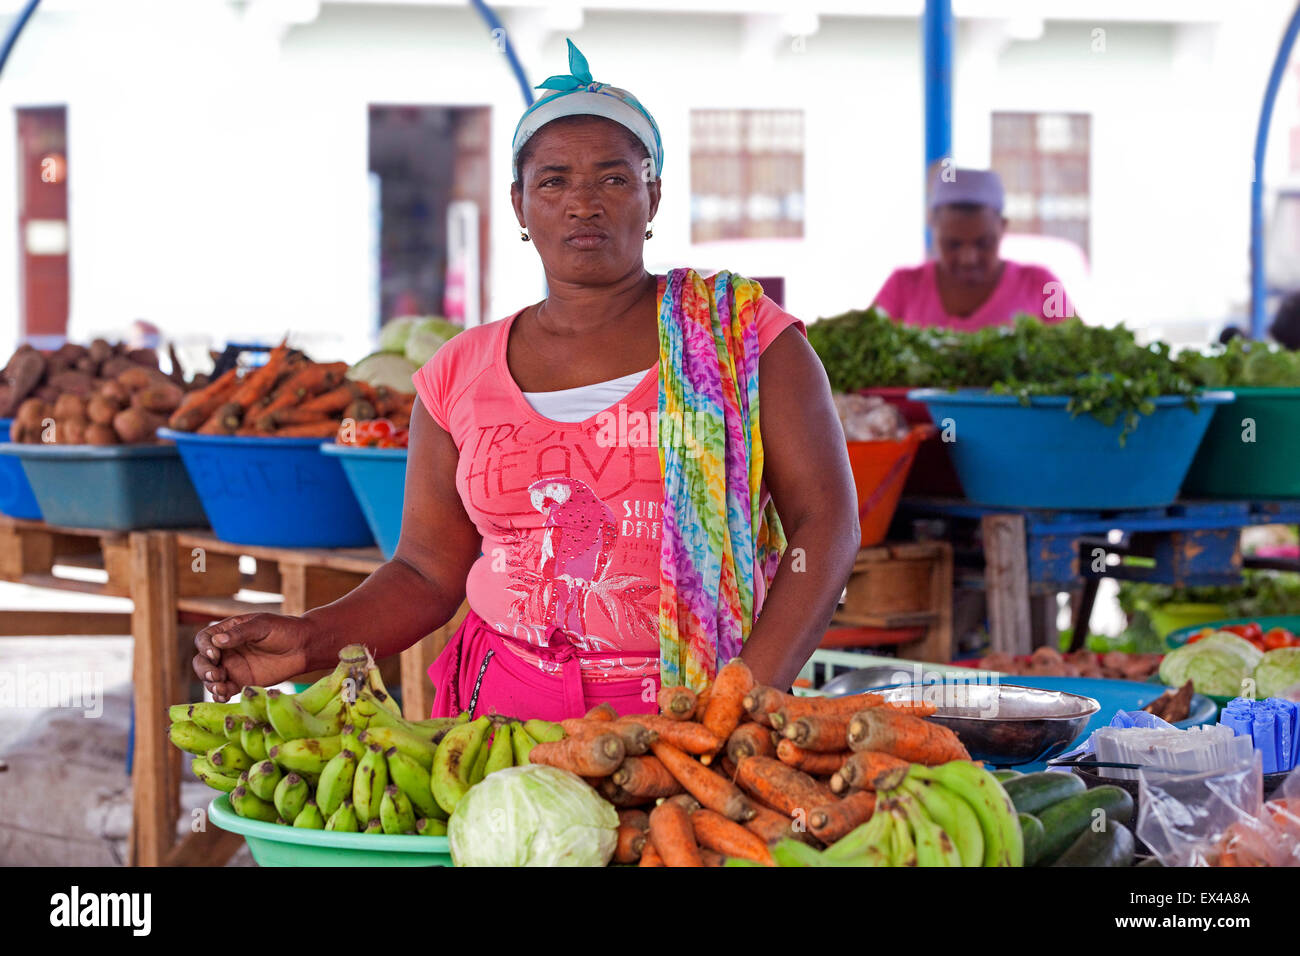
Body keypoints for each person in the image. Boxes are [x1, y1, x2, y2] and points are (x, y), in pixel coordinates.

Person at [191, 41, 859, 720]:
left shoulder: (740, 339)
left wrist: (745, 695)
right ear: (518, 204)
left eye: (614, 179)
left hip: (694, 713)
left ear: (652, 194)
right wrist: (310, 640)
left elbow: (825, 523)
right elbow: (426, 574)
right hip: (504, 711)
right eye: (553, 181)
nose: (583, 204)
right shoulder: (457, 373)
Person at [873, 168, 1073, 330]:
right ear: (933, 229)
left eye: (984, 243)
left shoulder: (1044, 285)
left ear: (1002, 227)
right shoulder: (901, 286)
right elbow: (864, 346)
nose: (968, 258)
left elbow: (1077, 345)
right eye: (953, 244)